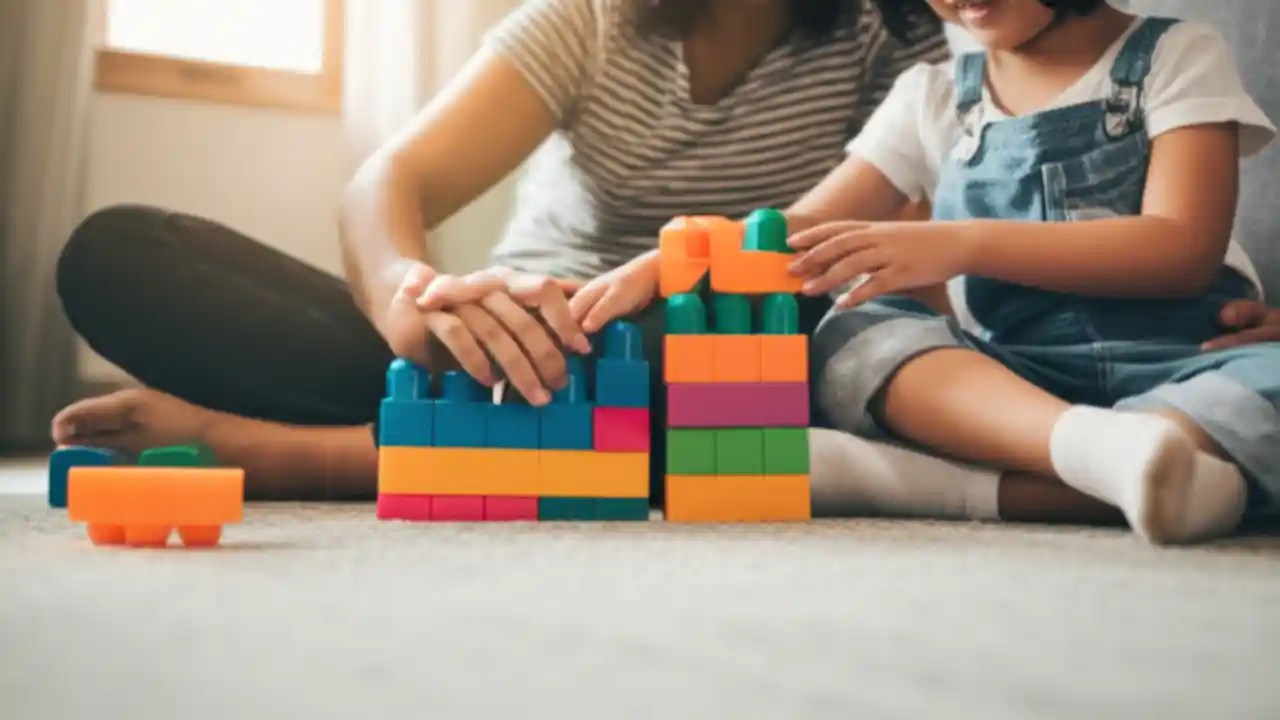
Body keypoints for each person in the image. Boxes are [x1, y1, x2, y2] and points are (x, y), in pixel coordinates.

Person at [51, 0, 951, 499]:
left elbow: (875, 269)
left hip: (698, 360)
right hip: (489, 342)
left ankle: (287, 449)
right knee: (119, 254)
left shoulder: (896, 42)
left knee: (763, 368)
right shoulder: (588, 20)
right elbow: (388, 183)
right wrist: (410, 296)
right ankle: (442, 425)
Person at [779, 0, 1278, 544]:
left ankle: (925, 484)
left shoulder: (1178, 53)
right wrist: (690, 245)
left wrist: (963, 244)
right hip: (1017, 384)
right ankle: (1122, 458)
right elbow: (807, 226)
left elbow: (1183, 250)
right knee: (854, 334)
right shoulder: (931, 94)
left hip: (1190, 366)